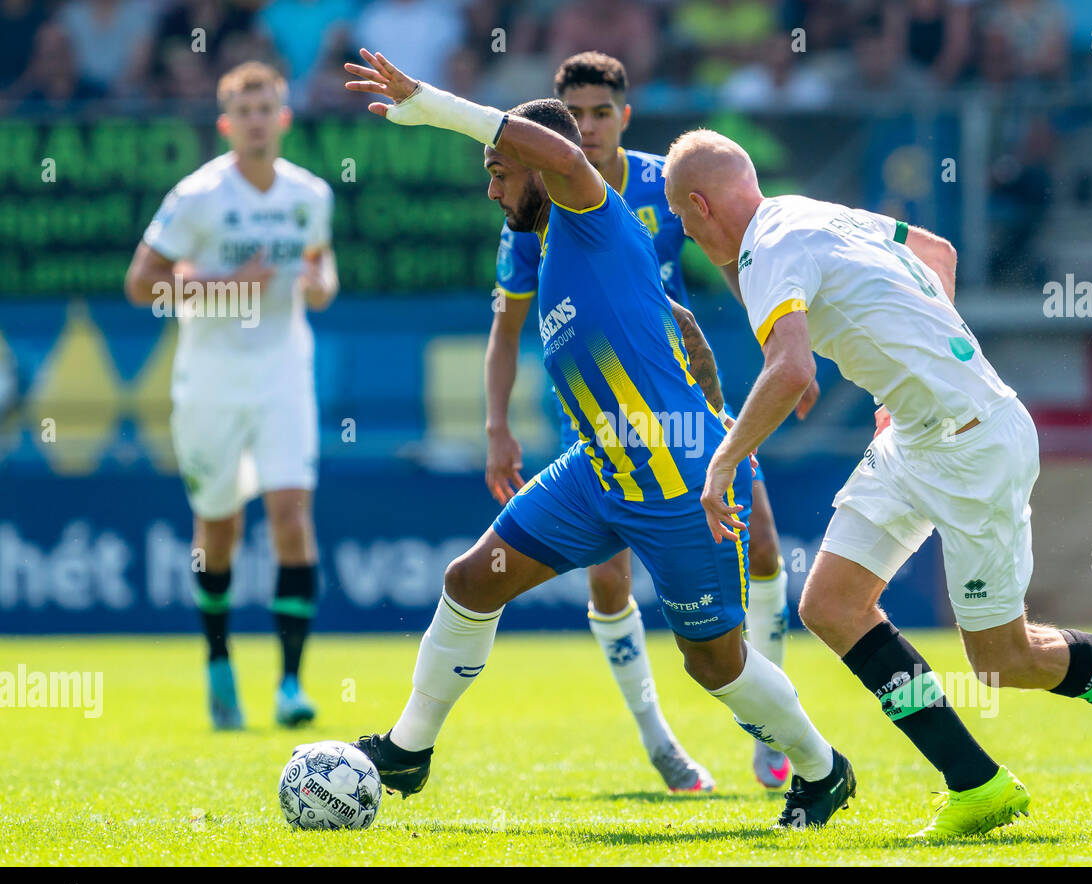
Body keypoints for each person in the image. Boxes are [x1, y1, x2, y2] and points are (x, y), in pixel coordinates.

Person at [663, 129, 1092, 838]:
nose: (684, 232)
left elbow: (792, 371)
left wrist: (723, 461)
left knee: (1004, 662)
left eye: (681, 216)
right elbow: (937, 251)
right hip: (919, 434)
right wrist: (920, 363)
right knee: (831, 603)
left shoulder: (768, 251)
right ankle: (976, 783)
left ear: (698, 205)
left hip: (974, 445)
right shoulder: (807, 213)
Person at [342, 49, 855, 829]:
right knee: (472, 581)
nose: (492, 188)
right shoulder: (552, 246)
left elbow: (565, 155)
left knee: (713, 662)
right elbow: (664, 316)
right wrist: (695, 359)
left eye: (499, 171)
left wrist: (436, 105)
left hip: (674, 479)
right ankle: (409, 751)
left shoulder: (589, 206)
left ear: (538, 166)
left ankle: (822, 771)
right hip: (596, 471)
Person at [489, 51, 811, 793]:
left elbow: (734, 255)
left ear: (624, 117)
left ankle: (767, 734)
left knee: (761, 540)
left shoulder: (666, 187)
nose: (592, 127)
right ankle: (657, 737)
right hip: (605, 414)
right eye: (578, 116)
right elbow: (505, 330)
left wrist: (782, 350)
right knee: (609, 576)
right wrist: (495, 425)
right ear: (559, 125)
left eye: (604, 113)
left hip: (690, 401)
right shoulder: (533, 206)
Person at [125, 61, 338, 731]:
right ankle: (219, 665)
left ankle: (290, 684)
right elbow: (142, 285)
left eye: (265, 108)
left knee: (291, 515)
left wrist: (320, 283)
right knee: (218, 528)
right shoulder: (198, 196)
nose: (254, 120)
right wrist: (230, 285)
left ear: (283, 119)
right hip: (210, 380)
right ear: (226, 124)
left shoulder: (310, 195)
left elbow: (320, 264)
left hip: (282, 371)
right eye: (242, 111)